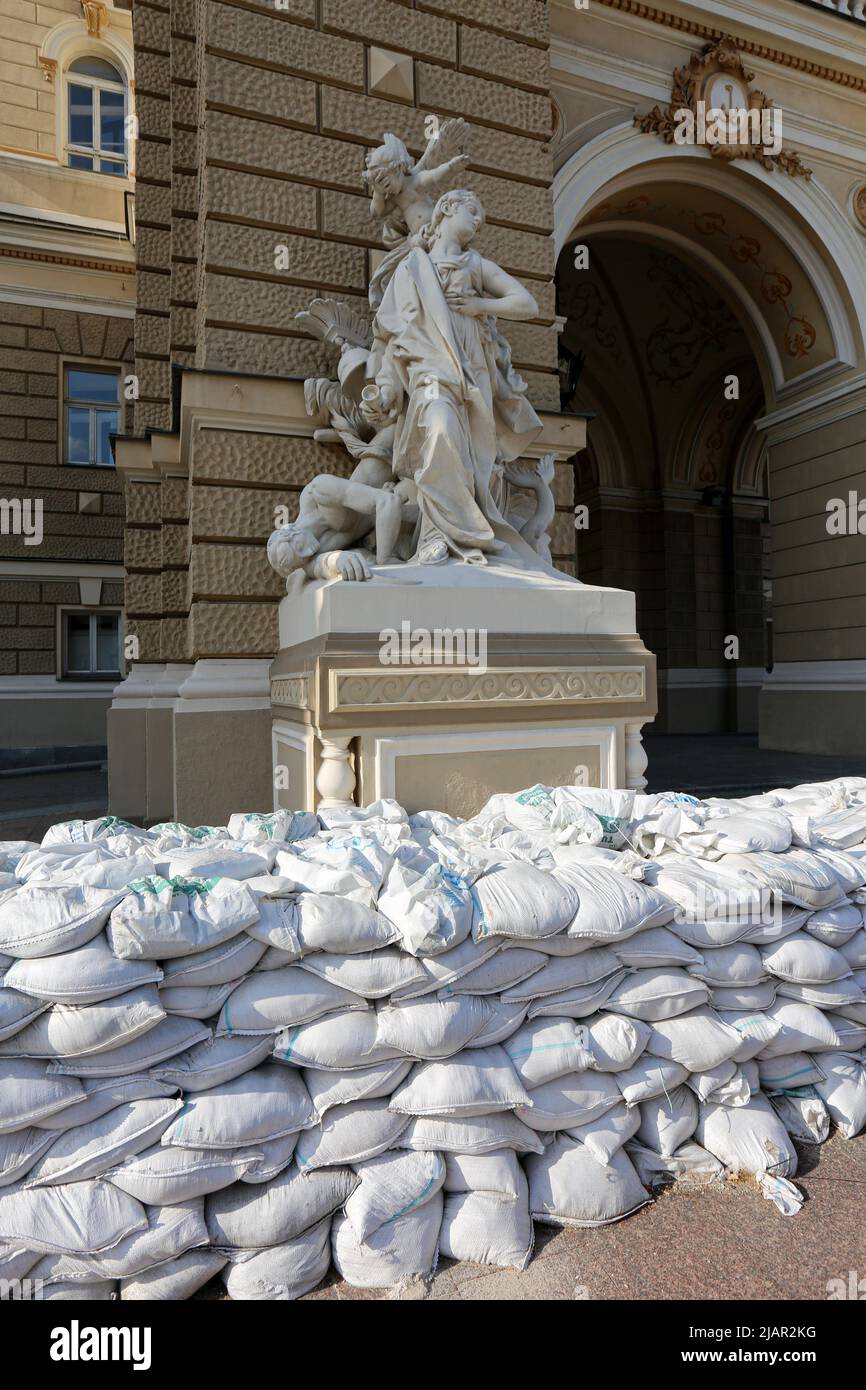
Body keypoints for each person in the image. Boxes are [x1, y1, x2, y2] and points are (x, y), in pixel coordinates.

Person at [360, 189, 547, 568]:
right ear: (446, 208)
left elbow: (527, 303)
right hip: (430, 374)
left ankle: (451, 537)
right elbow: (389, 338)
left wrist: (481, 305)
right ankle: (443, 533)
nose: (478, 221)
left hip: (472, 377)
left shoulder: (473, 265)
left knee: (474, 461)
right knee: (440, 434)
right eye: (473, 211)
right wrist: (383, 388)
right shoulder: (411, 268)